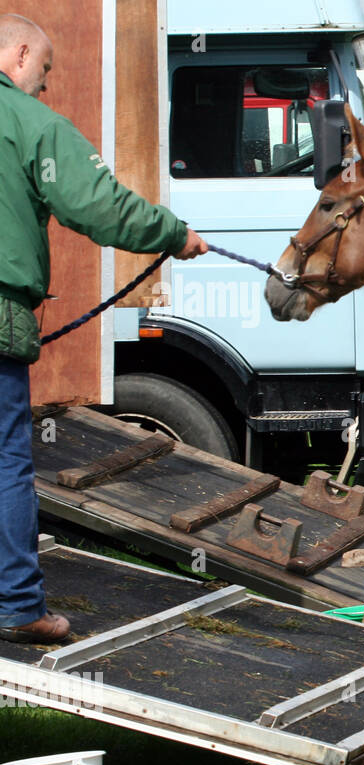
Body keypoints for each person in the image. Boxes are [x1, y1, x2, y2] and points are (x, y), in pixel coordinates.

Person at [0, 14, 207, 644]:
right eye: (46, 70)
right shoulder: (30, 123)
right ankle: (17, 606)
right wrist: (174, 234)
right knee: (7, 461)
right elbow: (97, 204)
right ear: (21, 51)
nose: (45, 85)